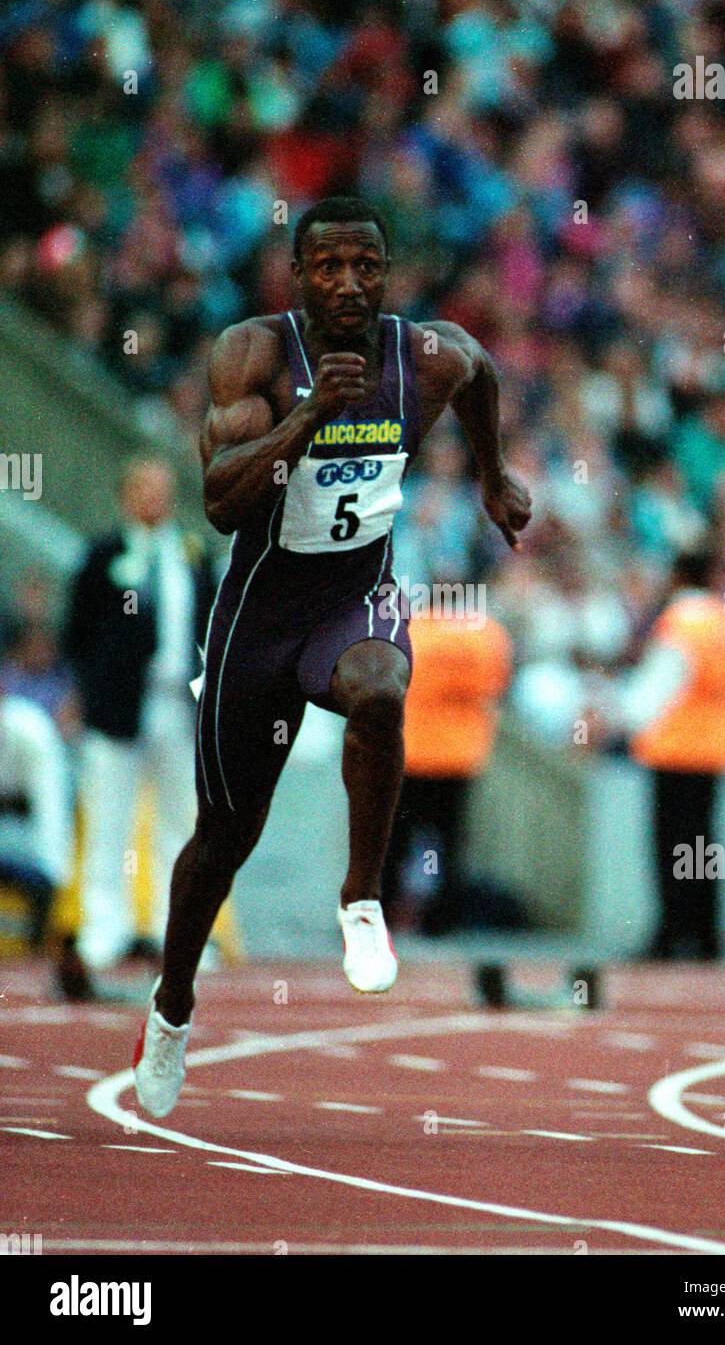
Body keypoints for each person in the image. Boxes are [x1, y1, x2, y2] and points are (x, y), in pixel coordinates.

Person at [132, 196, 531, 1117]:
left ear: (385, 275)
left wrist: (491, 473)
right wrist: (310, 415)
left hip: (355, 596)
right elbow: (221, 503)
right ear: (298, 276)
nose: (349, 283)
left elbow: (479, 372)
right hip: (260, 617)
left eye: (366, 267)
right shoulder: (253, 356)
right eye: (328, 267)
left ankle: (361, 898)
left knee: (383, 688)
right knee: (223, 839)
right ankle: (172, 1005)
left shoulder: (423, 355)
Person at [63, 458, 216, 979]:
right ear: (125, 494)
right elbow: (78, 631)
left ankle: (178, 933)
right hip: (117, 706)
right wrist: (87, 692)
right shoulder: (103, 554)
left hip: (178, 702)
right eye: (143, 488)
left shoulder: (192, 553)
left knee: (182, 821)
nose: (154, 498)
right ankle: (104, 929)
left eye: (162, 489)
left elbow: (211, 625)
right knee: (108, 818)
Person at [601, 549, 725, 960]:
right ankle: (708, 936)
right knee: (703, 845)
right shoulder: (723, 621)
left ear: (678, 577)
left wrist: (618, 717)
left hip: (674, 749)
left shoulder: (679, 622)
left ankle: (670, 934)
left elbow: (660, 684)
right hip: (712, 749)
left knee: (670, 846)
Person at [380, 603, 512, 933]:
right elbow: (496, 686)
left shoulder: (412, 629)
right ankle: (443, 919)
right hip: (460, 756)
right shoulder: (487, 632)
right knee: (449, 843)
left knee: (395, 841)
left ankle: (383, 913)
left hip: (412, 751)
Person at [0, 686, 71, 949]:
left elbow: (52, 809)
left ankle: (36, 949)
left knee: (41, 876)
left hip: (24, 839)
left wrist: (51, 874)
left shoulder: (33, 732)